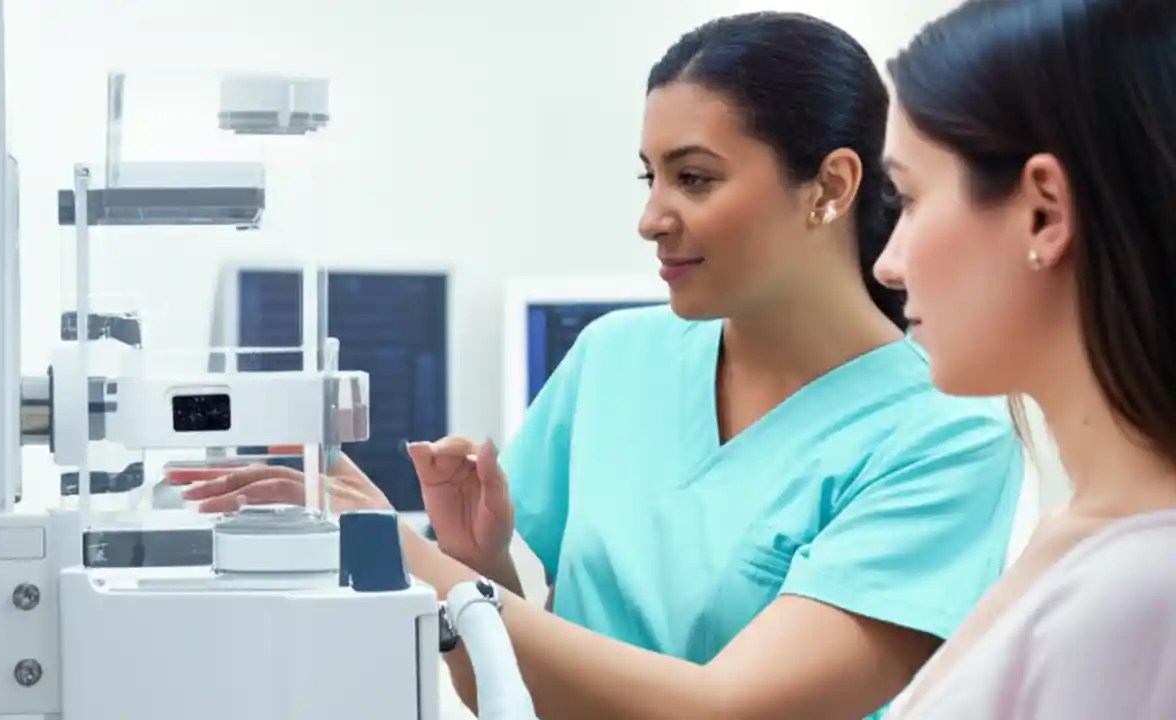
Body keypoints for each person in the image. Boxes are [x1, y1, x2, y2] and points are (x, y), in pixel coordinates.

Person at [179, 13, 1024, 719]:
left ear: (831, 186)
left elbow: (726, 710)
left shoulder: (944, 435)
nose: (652, 218)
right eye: (650, 177)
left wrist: (411, 559)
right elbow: (501, 685)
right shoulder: (617, 358)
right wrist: (481, 564)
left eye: (694, 178)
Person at [870, 1, 1176, 718]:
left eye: (907, 199)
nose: (889, 264)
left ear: (1044, 212)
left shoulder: (1139, 595)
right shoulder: (1087, 537)